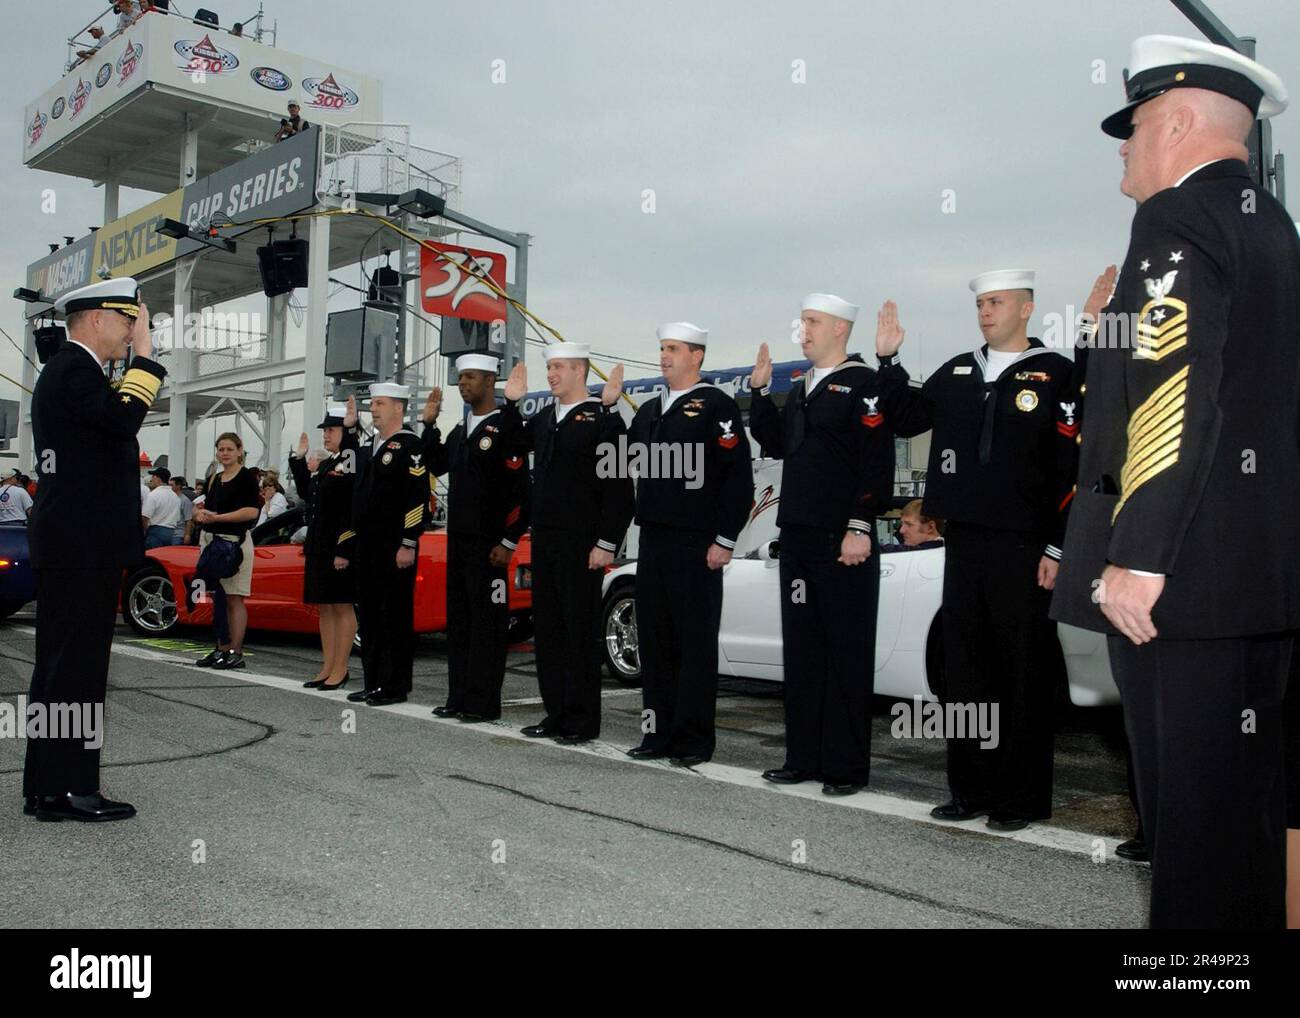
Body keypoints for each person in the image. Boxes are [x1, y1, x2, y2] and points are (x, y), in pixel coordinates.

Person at [1051, 35, 1297, 929]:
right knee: (1245, 822)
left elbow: (1173, 386)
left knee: (1191, 836)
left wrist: (1140, 554)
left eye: (1138, 122)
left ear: (1183, 121)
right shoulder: (1270, 225)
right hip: (1255, 578)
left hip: (1183, 581)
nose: (1124, 144)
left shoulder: (1177, 217)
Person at [876, 270, 1091, 831]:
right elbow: (906, 419)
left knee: (1024, 673)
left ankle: (1020, 800)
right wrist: (889, 362)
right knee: (967, 670)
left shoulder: (1056, 373)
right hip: (965, 543)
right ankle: (970, 789)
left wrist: (1058, 546)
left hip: (1026, 547)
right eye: (980, 304)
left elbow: (1073, 466)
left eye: (996, 302)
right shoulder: (958, 371)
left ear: (1026, 308)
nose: (986, 312)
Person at [23, 277, 163, 822]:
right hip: (82, 545)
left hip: (75, 542)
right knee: (76, 670)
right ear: (98, 318)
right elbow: (124, 419)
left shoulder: (69, 371)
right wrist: (146, 359)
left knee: (60, 668)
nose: (132, 331)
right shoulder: (75, 370)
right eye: (128, 321)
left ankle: (47, 788)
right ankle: (72, 789)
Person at [749, 294, 894, 796]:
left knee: (845, 654)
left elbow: (876, 460)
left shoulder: (864, 384)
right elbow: (776, 443)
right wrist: (761, 393)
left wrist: (860, 525)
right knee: (803, 651)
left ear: (839, 328)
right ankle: (802, 758)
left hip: (841, 539)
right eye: (802, 321)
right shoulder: (801, 387)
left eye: (812, 322)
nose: (803, 330)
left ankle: (845, 767)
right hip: (798, 538)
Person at [625, 322, 753, 766]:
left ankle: (693, 741)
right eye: (662, 348)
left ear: (696, 356)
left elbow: (737, 477)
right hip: (653, 540)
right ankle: (655, 735)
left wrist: (725, 538)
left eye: (674, 349)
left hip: (696, 543)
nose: (664, 356)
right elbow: (626, 463)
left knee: (693, 644)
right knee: (654, 642)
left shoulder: (716, 405)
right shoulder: (649, 410)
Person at [498, 345, 634, 743]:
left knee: (578, 631)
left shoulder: (601, 419)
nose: (551, 374)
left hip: (583, 543)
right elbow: (512, 446)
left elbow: (620, 488)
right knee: (550, 630)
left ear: (579, 371)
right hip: (545, 540)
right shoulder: (545, 418)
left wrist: (606, 542)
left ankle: (581, 720)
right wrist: (511, 405)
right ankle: (555, 713)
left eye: (558, 367)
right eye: (549, 367)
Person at [421, 355, 531, 722]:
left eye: (470, 376)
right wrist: (429, 425)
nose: (463, 383)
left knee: (488, 624)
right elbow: (437, 464)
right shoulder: (460, 430)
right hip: (459, 543)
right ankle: (459, 697)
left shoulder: (504, 427)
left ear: (489, 380)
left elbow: (521, 492)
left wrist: (509, 541)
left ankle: (483, 703)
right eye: (460, 377)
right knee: (461, 622)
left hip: (490, 547)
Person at [339, 383, 429, 707]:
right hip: (368, 544)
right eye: (373, 404)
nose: (373, 409)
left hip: (394, 545)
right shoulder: (371, 446)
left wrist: (408, 542)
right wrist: (350, 431)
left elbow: (417, 497)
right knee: (370, 616)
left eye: (380, 403)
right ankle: (373, 681)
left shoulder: (410, 445)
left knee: (394, 617)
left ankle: (394, 685)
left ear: (398, 408)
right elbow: (350, 477)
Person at [288, 406, 357, 692]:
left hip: (338, 545)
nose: (326, 435)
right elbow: (308, 494)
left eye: (331, 430)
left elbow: (352, 507)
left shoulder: (351, 460)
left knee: (341, 605)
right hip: (319, 545)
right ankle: (328, 665)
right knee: (325, 607)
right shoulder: (329, 465)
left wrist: (345, 548)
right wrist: (298, 460)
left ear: (345, 432)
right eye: (325, 430)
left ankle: (341, 668)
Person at [192, 433, 261, 670]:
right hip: (212, 542)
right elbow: (201, 507)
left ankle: (235, 651)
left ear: (240, 450)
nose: (225, 453)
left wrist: (219, 518)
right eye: (221, 449)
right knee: (217, 598)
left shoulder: (247, 477)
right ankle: (221, 647)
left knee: (234, 597)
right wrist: (200, 514)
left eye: (230, 449)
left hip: (234, 543)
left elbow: (251, 511)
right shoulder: (214, 478)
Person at [140, 466, 182, 548]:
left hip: (155, 532)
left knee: (151, 554)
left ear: (158, 478)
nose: (151, 479)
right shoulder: (176, 497)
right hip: (170, 533)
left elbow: (145, 516)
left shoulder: (153, 495)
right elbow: (177, 518)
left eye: (153, 477)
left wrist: (145, 530)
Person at [170, 475, 194, 545]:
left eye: (171, 485)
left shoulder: (185, 501)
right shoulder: (169, 498)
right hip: (169, 533)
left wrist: (187, 535)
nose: (169, 487)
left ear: (178, 486)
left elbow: (188, 519)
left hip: (178, 534)